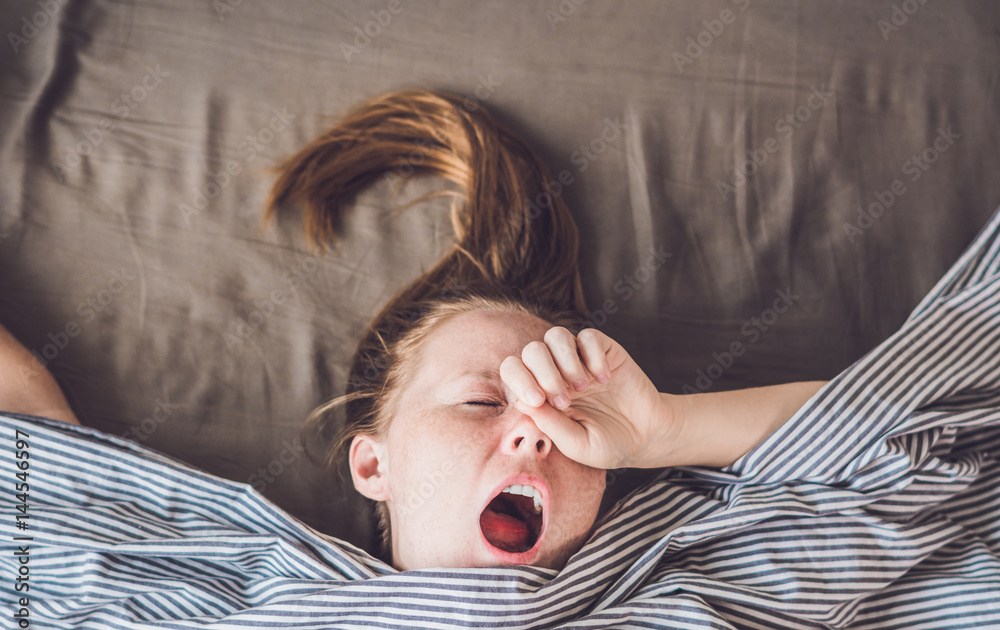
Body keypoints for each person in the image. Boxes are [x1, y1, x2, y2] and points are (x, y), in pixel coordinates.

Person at [263, 89, 827, 571]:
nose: (535, 433)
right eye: (481, 401)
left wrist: (665, 430)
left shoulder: (683, 574)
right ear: (374, 465)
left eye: (570, 416)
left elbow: (900, 437)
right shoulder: (270, 610)